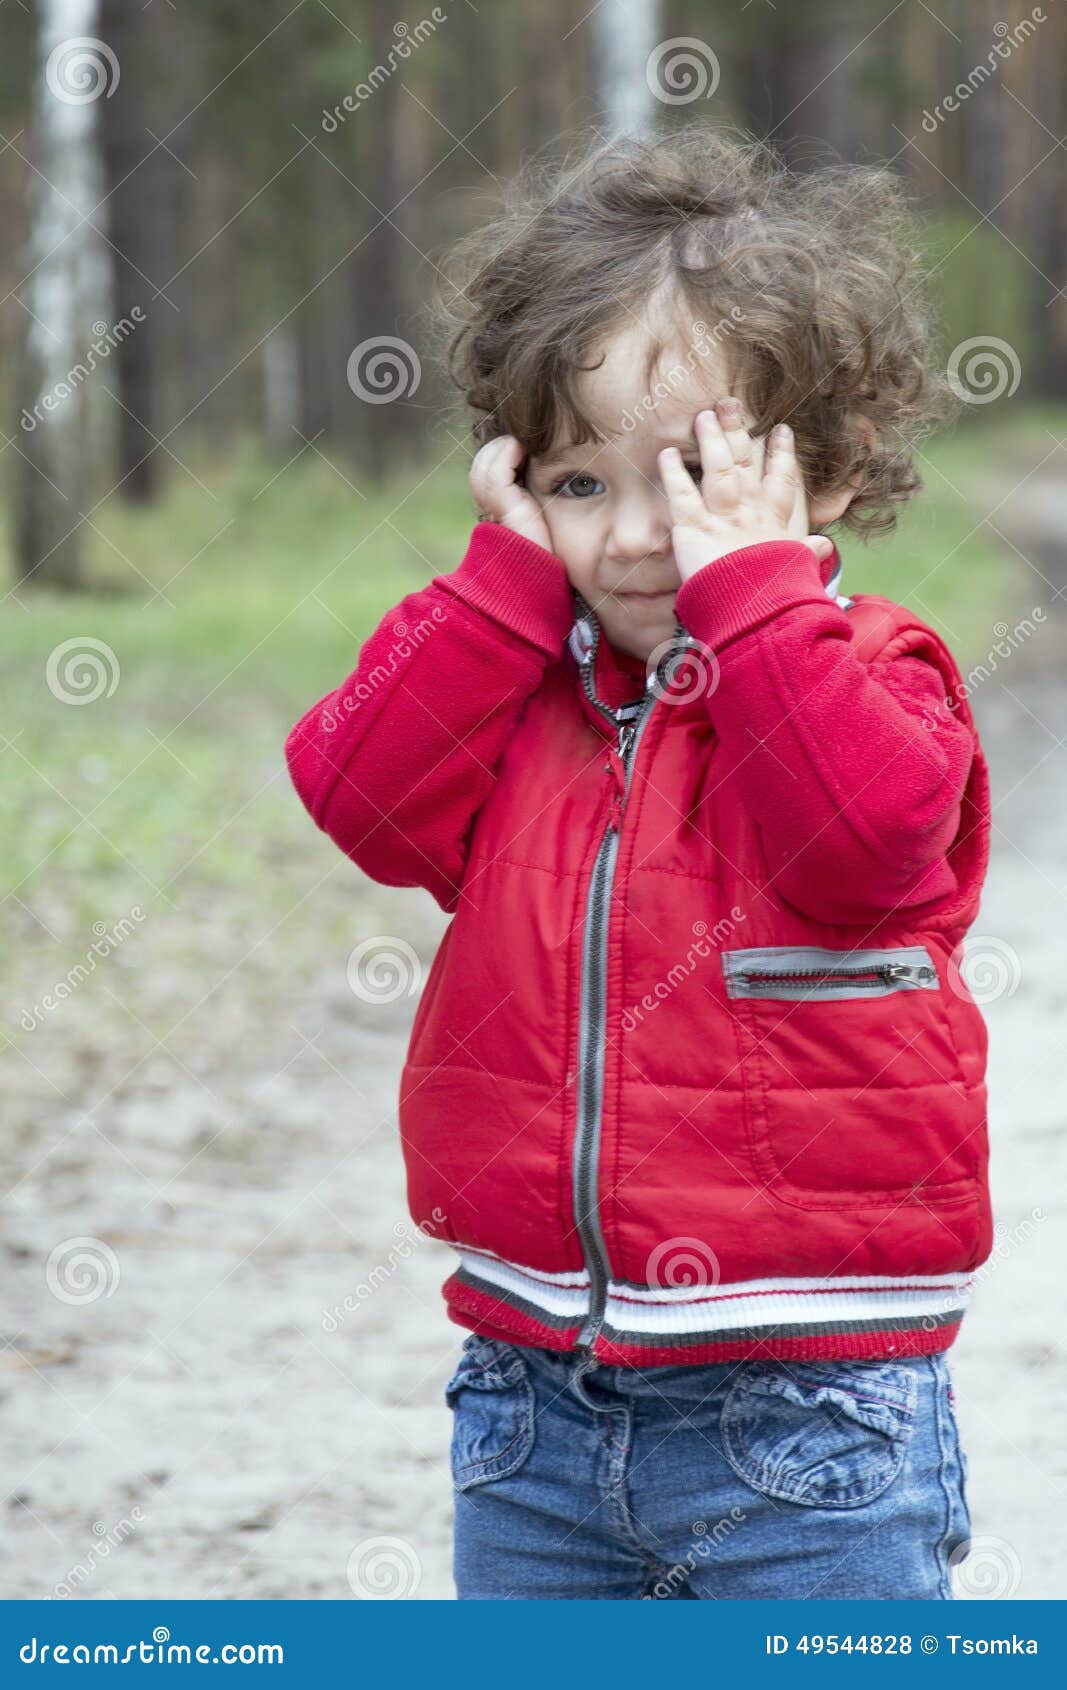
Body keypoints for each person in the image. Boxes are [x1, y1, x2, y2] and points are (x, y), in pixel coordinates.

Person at [284, 124, 991, 1600]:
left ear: (838, 473)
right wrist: (498, 588)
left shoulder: (878, 671)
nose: (639, 540)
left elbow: (861, 842)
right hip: (534, 1398)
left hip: (811, 1414)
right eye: (580, 484)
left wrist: (756, 594)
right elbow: (357, 797)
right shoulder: (517, 692)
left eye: (694, 476)